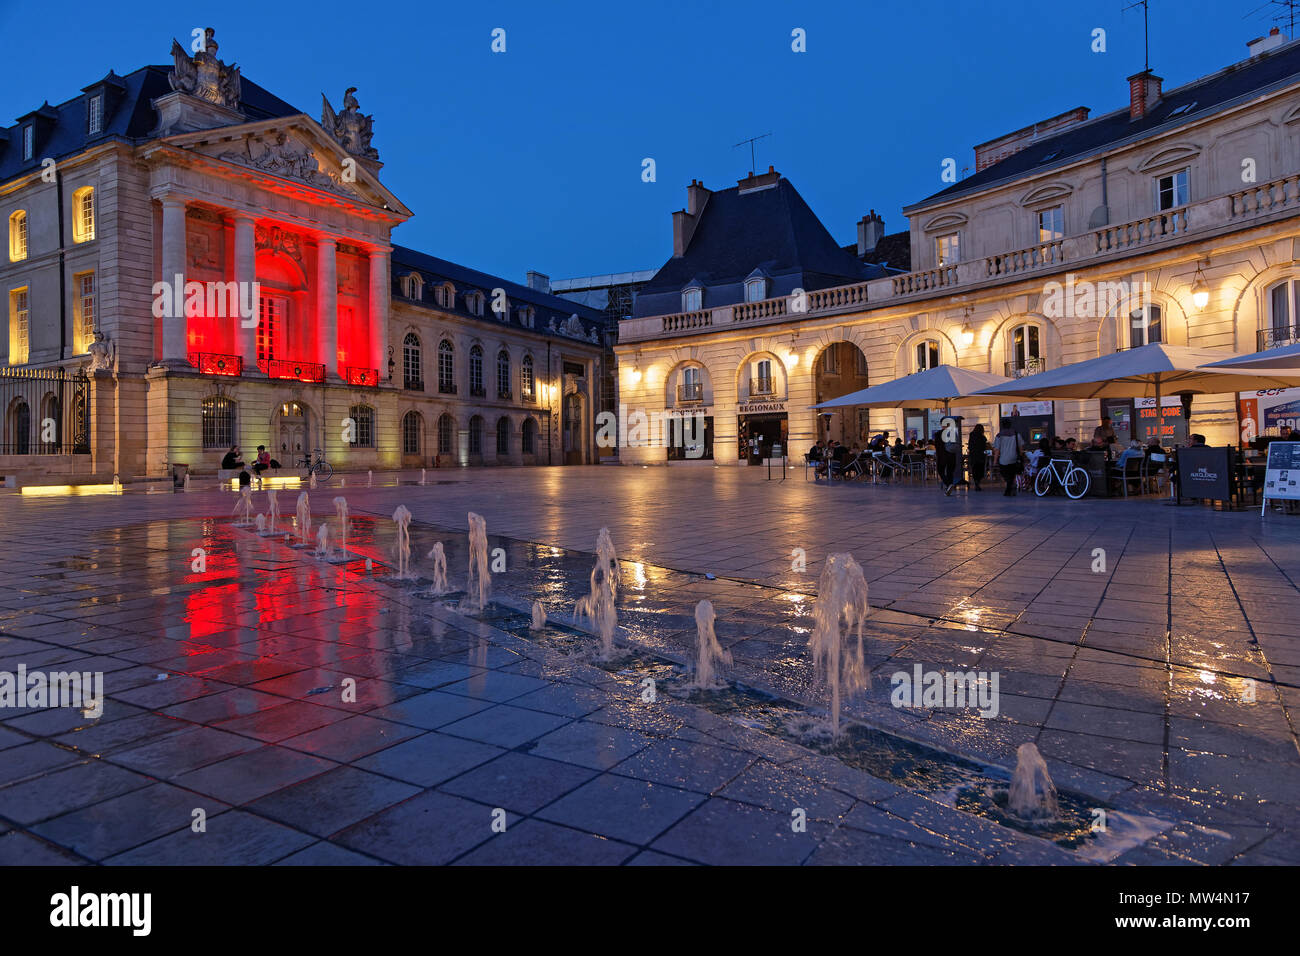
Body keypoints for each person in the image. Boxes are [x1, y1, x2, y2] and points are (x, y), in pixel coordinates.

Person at [993, 418, 1025, 497]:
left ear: (1002, 425)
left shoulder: (999, 436)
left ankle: (1008, 488)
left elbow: (997, 450)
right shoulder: (1017, 434)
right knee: (1012, 475)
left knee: (1006, 475)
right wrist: (1020, 457)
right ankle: (1011, 487)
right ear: (1010, 425)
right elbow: (1021, 449)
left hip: (1003, 460)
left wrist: (995, 461)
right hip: (1014, 459)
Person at [934, 430, 957, 495]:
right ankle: (949, 486)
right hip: (952, 456)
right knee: (950, 472)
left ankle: (948, 484)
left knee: (940, 470)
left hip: (942, 456)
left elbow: (938, 446)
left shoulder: (938, 434)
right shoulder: (952, 433)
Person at [967, 424, 989, 491]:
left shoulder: (971, 435)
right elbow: (984, 446)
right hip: (981, 456)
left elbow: (970, 445)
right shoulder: (982, 437)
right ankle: (978, 482)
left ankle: (976, 481)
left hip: (973, 456)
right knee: (980, 469)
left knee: (974, 469)